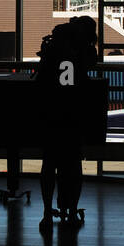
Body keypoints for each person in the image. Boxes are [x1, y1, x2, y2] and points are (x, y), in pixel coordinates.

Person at [33, 16, 98, 234]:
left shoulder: (52, 56)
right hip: (72, 119)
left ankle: (46, 212)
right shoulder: (77, 58)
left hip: (50, 118)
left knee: (49, 165)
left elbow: (41, 82)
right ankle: (70, 211)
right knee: (72, 166)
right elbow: (78, 82)